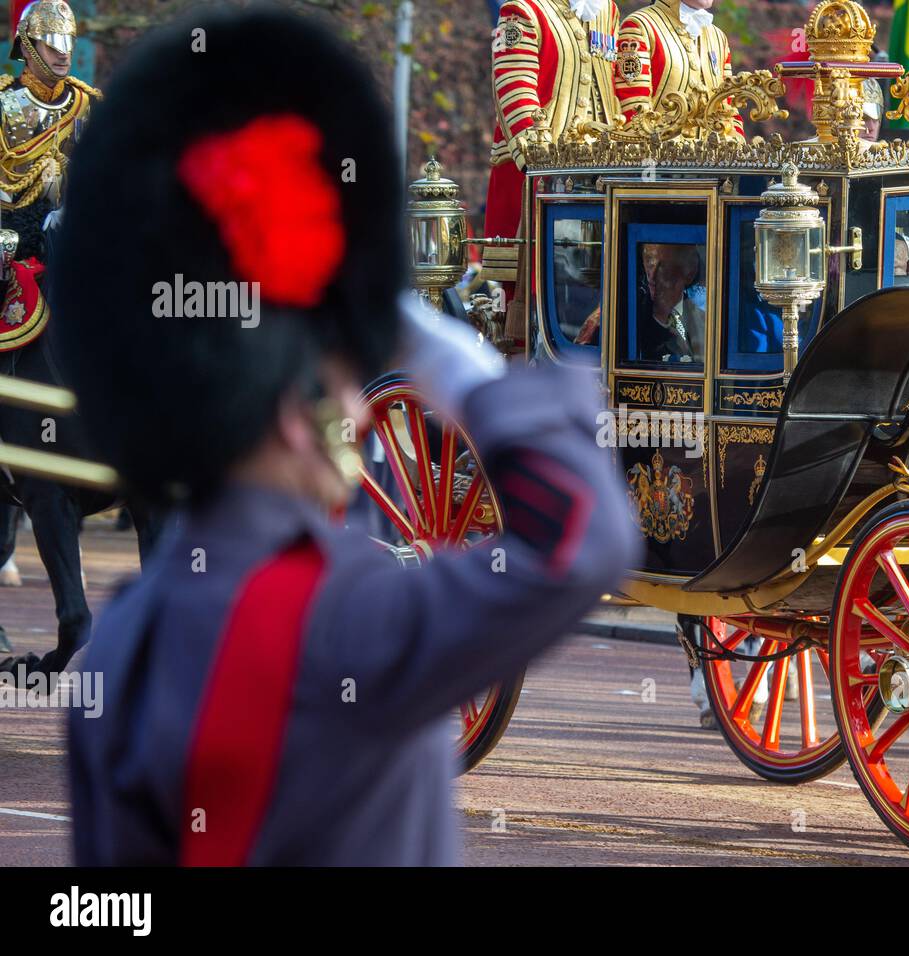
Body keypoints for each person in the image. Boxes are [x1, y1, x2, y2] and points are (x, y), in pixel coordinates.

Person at [54, 7, 638, 866]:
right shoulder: (351, 612)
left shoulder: (122, 643)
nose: (364, 414)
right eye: (342, 388)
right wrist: (464, 368)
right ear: (297, 411)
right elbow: (584, 540)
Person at [485, 0, 621, 304]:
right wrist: (545, 167)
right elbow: (515, 92)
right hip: (537, 181)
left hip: (601, 179)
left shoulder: (607, 11)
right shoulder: (521, 11)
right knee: (531, 299)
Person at [0, 0, 96, 346]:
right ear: (27, 46)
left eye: (68, 42)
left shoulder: (86, 104)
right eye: (53, 44)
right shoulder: (3, 103)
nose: (63, 53)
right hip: (10, 237)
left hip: (71, 237)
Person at [614, 0, 742, 137]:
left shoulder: (718, 37)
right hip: (656, 153)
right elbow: (634, 113)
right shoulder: (640, 26)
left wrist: (737, 147)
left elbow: (730, 111)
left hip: (712, 155)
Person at [637, 242, 705, 362]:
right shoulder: (633, 316)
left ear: (690, 271)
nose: (651, 276)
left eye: (663, 266)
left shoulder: (706, 321)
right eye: (649, 262)